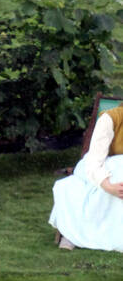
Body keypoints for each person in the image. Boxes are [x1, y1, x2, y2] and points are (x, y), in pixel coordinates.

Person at [50, 103, 123, 251]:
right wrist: (108, 186)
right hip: (97, 168)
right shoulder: (110, 119)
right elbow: (95, 161)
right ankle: (75, 233)